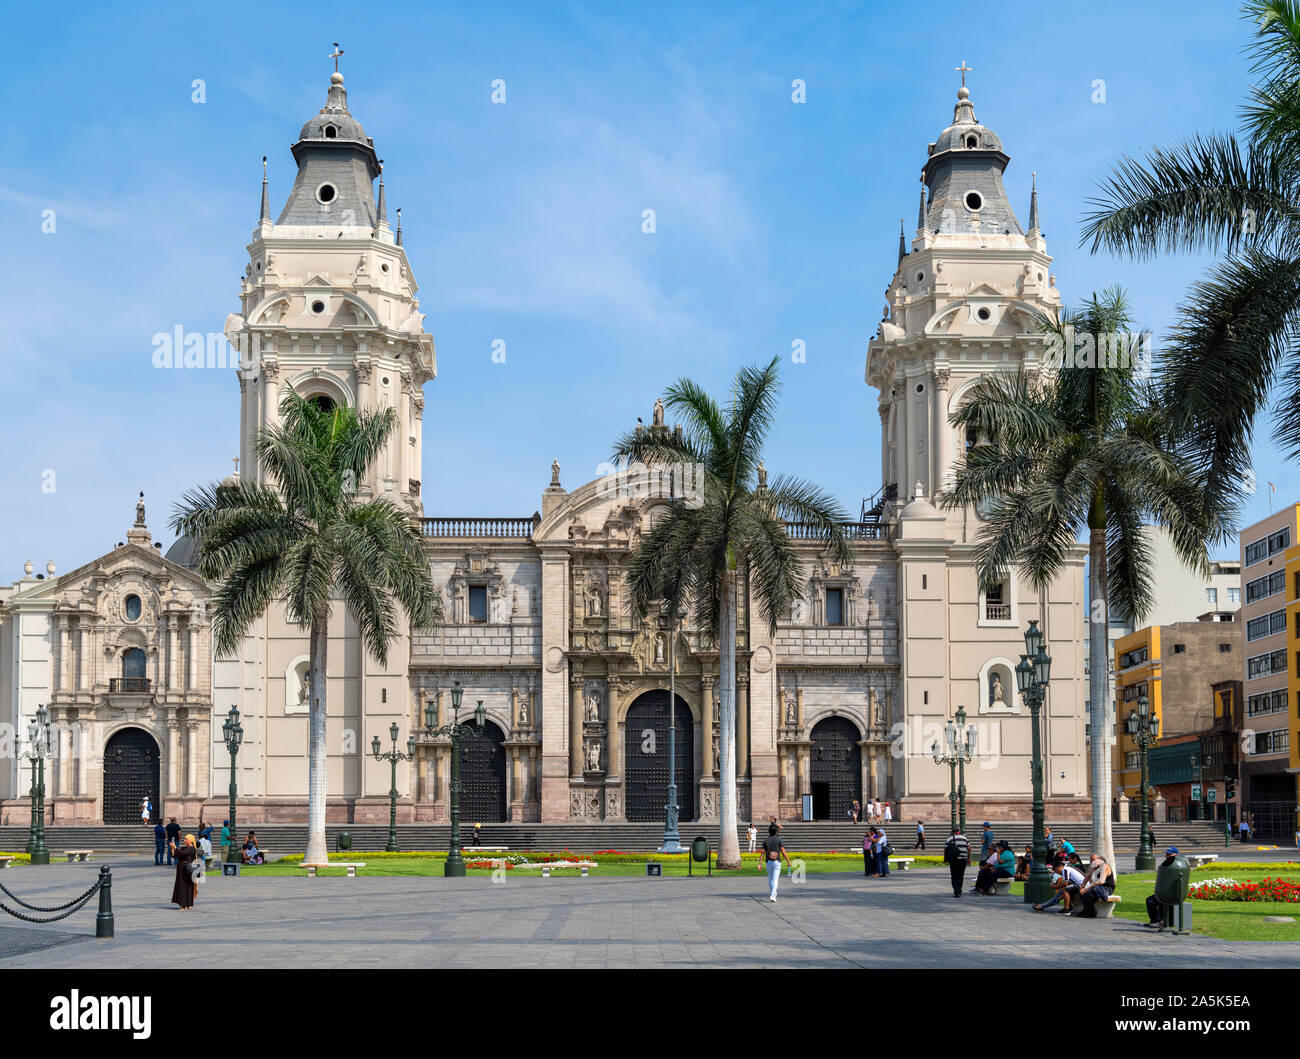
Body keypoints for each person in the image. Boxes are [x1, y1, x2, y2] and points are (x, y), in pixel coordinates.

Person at [1144, 848, 1181, 926]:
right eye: (1167, 854)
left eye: (1169, 854)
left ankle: (1160, 921)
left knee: (1163, 899)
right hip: (1165, 891)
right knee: (1150, 900)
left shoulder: (1178, 865)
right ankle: (1154, 920)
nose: (1167, 856)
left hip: (1173, 893)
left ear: (1176, 855)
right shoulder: (1166, 864)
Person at [762, 823, 792, 902]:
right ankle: (773, 895)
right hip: (777, 861)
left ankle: (773, 894)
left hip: (768, 861)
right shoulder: (779, 840)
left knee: (770, 879)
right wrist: (788, 861)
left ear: (769, 831)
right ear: (776, 832)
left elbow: (762, 852)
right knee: (775, 879)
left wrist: (759, 863)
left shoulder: (765, 840)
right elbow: (783, 852)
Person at [170, 834, 198, 911]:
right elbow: (175, 855)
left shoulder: (192, 848)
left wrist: (175, 847)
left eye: (186, 839)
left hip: (188, 868)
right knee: (182, 885)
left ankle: (189, 904)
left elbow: (182, 853)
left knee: (188, 886)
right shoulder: (184, 848)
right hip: (181, 869)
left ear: (191, 840)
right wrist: (172, 848)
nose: (185, 841)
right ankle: (183, 904)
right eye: (184, 839)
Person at [943, 826, 970, 898]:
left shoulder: (949, 839)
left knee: (954, 875)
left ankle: (956, 891)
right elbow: (969, 848)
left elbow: (945, 850)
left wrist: (945, 858)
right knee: (961, 875)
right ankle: (959, 890)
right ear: (959, 830)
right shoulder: (965, 838)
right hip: (963, 859)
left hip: (953, 859)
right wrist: (968, 858)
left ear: (952, 831)